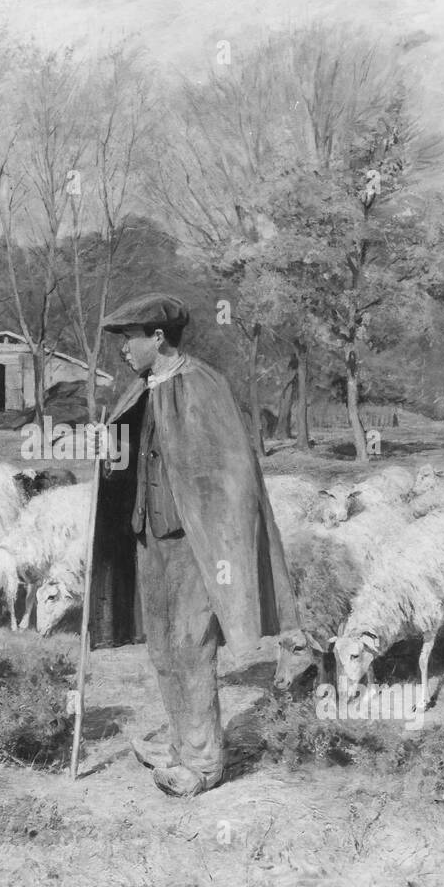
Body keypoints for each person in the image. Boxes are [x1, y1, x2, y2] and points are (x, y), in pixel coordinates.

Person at [88, 293, 304, 797]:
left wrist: (219, 535)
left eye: (129, 339)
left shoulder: (203, 386)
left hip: (194, 544)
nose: (122, 350)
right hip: (148, 538)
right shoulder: (139, 390)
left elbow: (232, 474)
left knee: (191, 647)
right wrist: (108, 451)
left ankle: (203, 764)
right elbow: (126, 465)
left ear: (157, 338)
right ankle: (181, 743)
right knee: (163, 649)